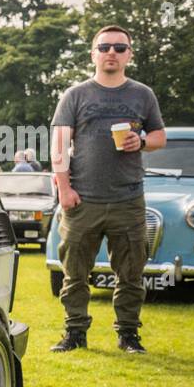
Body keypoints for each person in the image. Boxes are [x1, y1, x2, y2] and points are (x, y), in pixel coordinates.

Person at [50, 25, 166, 354]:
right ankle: (74, 334)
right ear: (94, 54)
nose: (111, 52)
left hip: (128, 199)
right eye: (104, 48)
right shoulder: (75, 95)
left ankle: (128, 335)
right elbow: (59, 144)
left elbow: (159, 138)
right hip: (82, 200)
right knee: (74, 273)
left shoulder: (142, 95)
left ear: (129, 54)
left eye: (119, 47)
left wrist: (141, 141)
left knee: (131, 274)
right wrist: (64, 188)